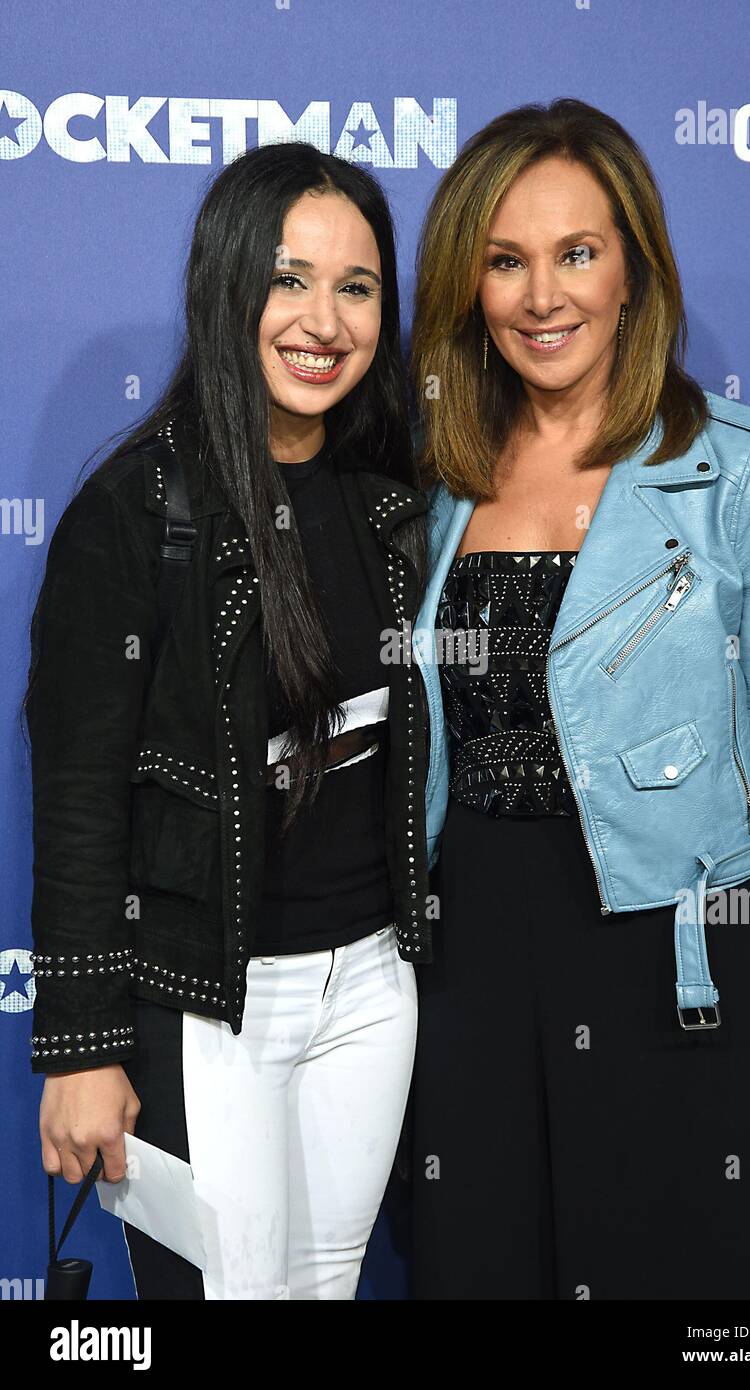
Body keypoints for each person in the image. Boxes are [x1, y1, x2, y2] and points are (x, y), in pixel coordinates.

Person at [406, 98, 750, 1300]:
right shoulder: (431, 473)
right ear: (469, 283)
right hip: (472, 952)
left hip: (683, 949)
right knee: (483, 1264)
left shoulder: (736, 465)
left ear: (633, 271)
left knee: (676, 1273)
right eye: (507, 261)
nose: (542, 296)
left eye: (577, 253)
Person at [25, 141, 432, 1300]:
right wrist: (84, 1044)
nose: (325, 320)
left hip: (371, 989)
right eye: (289, 279)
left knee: (326, 1280)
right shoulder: (137, 507)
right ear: (227, 285)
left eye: (357, 287)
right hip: (211, 999)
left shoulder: (393, 494)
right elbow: (80, 803)